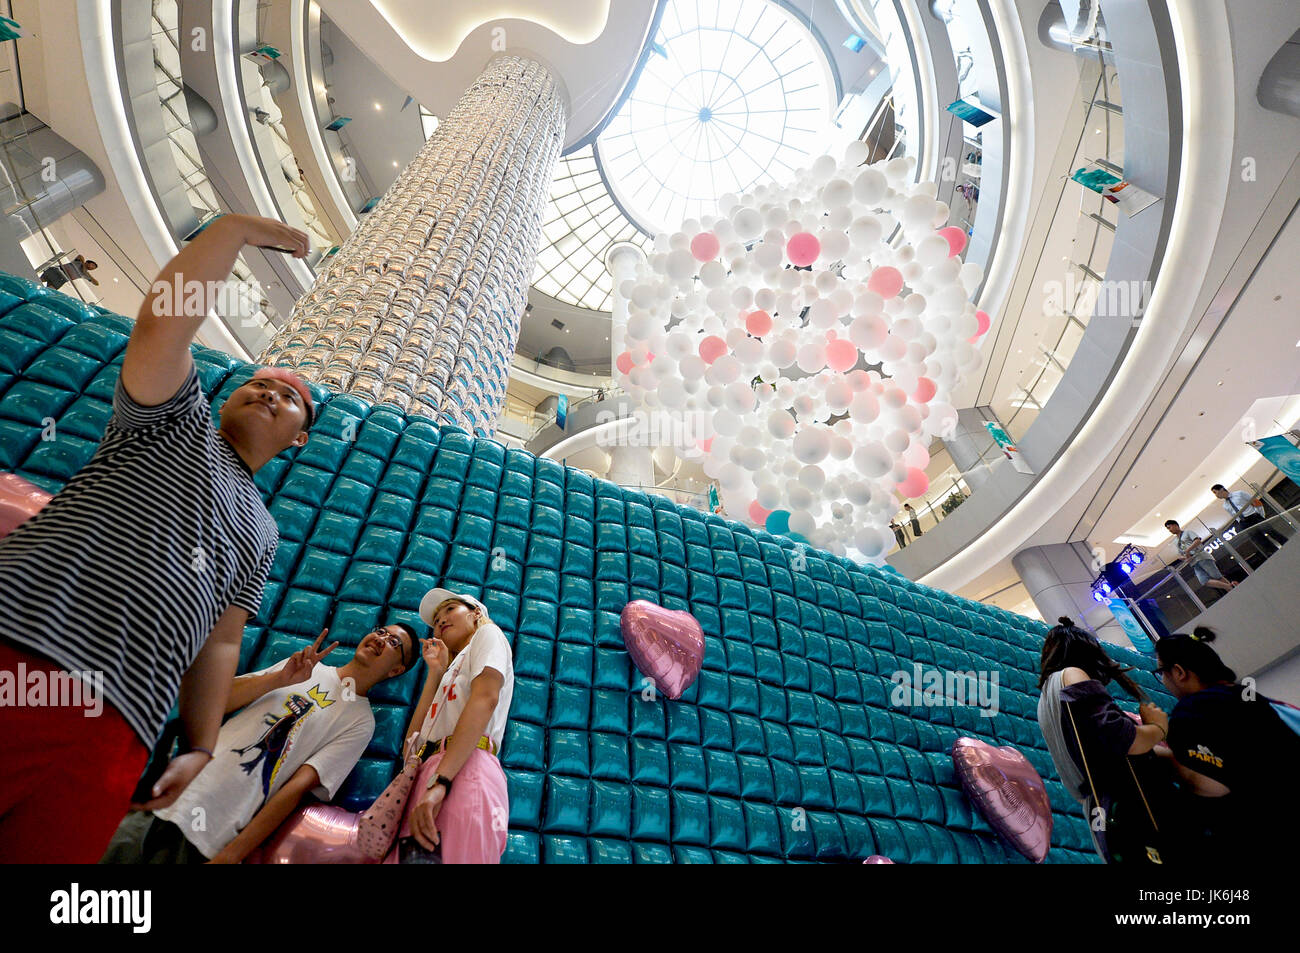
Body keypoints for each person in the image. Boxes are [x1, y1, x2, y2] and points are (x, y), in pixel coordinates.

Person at [0, 214, 313, 863]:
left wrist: (198, 743)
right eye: (257, 382)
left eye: (287, 397)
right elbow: (161, 325)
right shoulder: (173, 421)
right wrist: (229, 233)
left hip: (119, 732)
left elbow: (222, 639)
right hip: (18, 654)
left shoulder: (263, 531)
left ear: (299, 437)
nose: (267, 391)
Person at [100, 624, 416, 864]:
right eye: (380, 630)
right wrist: (278, 680)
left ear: (397, 669)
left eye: (393, 643)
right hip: (167, 790)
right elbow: (213, 703)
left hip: (212, 827)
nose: (380, 638)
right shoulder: (304, 666)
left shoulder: (360, 722)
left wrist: (232, 855)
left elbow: (295, 790)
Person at [357, 589, 514, 864]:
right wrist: (436, 674)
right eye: (436, 619)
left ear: (476, 613)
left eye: (450, 610)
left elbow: (486, 698)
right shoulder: (455, 668)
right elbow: (412, 745)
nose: (440, 620)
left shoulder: (488, 635)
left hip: (463, 769)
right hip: (432, 772)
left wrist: (441, 782)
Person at [1036, 617, 1188, 864]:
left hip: (1104, 813)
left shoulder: (1046, 700)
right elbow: (1126, 741)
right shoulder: (1072, 674)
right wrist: (1157, 727)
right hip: (1132, 804)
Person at [1153, 627, 1300, 858]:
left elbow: (1211, 787)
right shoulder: (1244, 695)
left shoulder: (1191, 713)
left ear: (1179, 672)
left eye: (1161, 672)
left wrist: (1155, 743)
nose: (1162, 680)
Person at [1164, 519, 1235, 595]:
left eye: (1169, 527)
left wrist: (1188, 550)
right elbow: (1183, 553)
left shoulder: (1187, 532)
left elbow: (1198, 541)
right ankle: (1230, 586)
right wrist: (1184, 557)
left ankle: (1232, 590)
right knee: (1204, 581)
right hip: (1193, 562)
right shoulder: (1176, 541)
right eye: (1168, 529)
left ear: (1175, 525)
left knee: (1216, 576)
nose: (1169, 530)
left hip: (1201, 557)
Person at [1210, 484, 1279, 557]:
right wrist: (1241, 523)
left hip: (1254, 516)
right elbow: (1234, 516)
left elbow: (1256, 502)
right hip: (1244, 523)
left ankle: (1286, 543)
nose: (1215, 495)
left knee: (1272, 532)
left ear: (1221, 489)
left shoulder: (1239, 493)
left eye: (1215, 492)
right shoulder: (1225, 505)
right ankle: (1276, 555)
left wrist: (1260, 515)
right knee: (1260, 540)